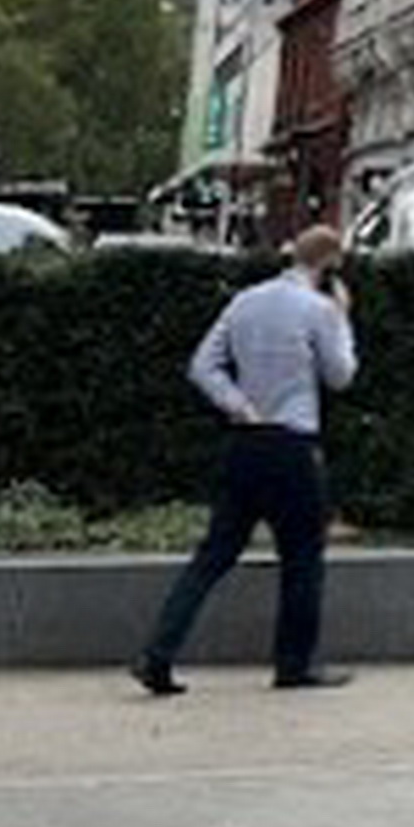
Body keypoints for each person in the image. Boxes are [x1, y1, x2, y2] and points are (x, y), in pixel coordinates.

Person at [133, 223, 358, 693]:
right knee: (302, 559)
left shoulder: (244, 301)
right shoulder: (319, 309)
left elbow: (203, 365)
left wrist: (237, 404)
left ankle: (158, 653)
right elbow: (340, 376)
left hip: (245, 442)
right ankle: (294, 665)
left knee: (214, 555)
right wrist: (342, 319)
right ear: (329, 266)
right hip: (293, 445)